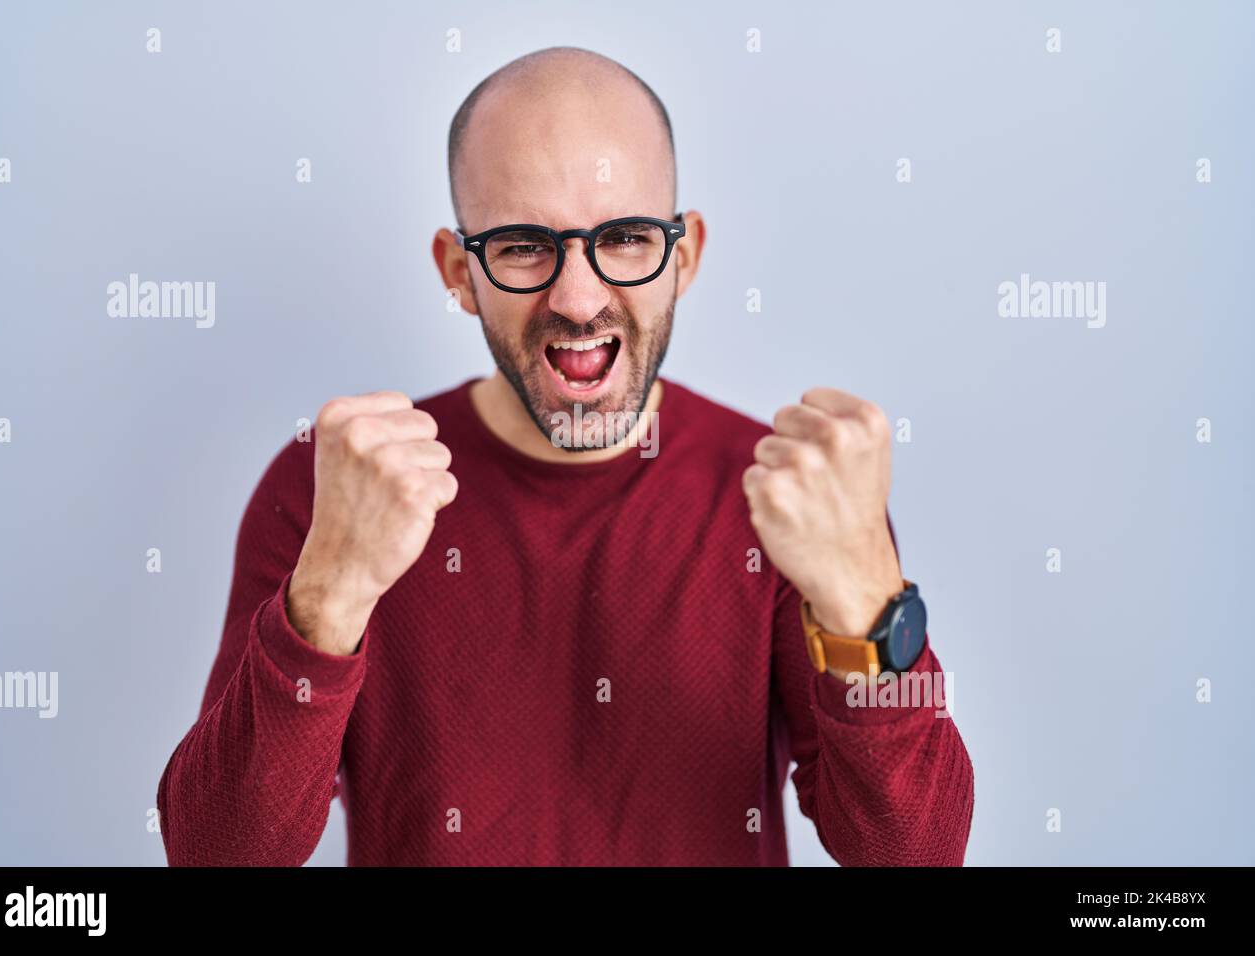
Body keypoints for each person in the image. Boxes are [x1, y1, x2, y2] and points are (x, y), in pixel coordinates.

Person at [157, 46, 974, 866]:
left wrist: (872, 603)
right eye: (521, 246)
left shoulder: (792, 499)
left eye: (622, 238)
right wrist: (328, 596)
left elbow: (913, 852)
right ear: (458, 273)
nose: (578, 300)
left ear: (683, 257)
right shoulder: (330, 489)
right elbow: (216, 853)